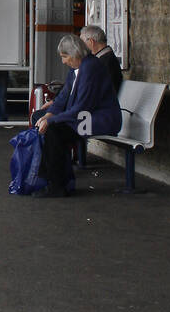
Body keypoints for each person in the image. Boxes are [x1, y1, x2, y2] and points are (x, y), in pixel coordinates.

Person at [31, 35, 121, 197]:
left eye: (65, 57)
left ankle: (56, 185)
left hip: (99, 119)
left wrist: (51, 120)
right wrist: (49, 114)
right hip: (86, 116)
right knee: (48, 124)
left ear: (76, 54)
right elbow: (64, 96)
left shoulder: (91, 68)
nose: (63, 61)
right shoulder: (77, 69)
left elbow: (83, 107)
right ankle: (51, 181)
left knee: (55, 131)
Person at [80, 25, 123, 95]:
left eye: (82, 42)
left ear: (91, 42)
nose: (81, 46)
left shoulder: (105, 61)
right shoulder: (103, 58)